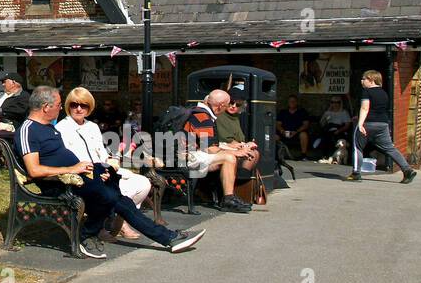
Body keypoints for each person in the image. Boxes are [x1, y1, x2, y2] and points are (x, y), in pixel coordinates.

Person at [15, 87, 205, 257]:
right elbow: (34, 170)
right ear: (46, 107)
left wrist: (94, 169)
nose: (60, 108)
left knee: (117, 196)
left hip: (82, 175)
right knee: (114, 198)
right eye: (58, 104)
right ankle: (90, 234)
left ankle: (167, 237)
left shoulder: (49, 128)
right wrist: (72, 169)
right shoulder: (28, 130)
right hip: (63, 182)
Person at [55, 88, 155, 240]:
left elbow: (101, 152)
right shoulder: (62, 128)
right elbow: (69, 159)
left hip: (103, 169)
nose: (79, 109)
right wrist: (95, 171)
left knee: (143, 183)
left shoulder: (92, 127)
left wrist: (110, 162)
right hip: (85, 175)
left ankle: (119, 220)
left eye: (84, 105)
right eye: (75, 105)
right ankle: (103, 226)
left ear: (90, 108)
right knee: (120, 190)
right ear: (68, 106)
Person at [180, 90, 252, 212]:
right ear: (221, 106)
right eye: (228, 104)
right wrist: (234, 152)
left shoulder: (198, 112)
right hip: (186, 157)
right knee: (228, 158)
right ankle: (228, 199)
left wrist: (233, 148)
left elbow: (210, 144)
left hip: (187, 153)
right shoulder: (202, 117)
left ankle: (227, 196)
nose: (229, 107)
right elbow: (209, 149)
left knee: (228, 155)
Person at [346, 70, 417, 183]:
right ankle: (407, 170)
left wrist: (360, 123)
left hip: (368, 123)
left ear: (371, 80)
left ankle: (356, 173)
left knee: (357, 147)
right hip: (382, 124)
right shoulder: (384, 93)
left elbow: (365, 108)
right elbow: (378, 109)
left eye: (364, 79)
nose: (362, 81)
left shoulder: (366, 92)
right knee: (390, 148)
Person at [214, 95, 261, 176]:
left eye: (237, 105)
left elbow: (240, 138)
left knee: (255, 153)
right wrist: (244, 146)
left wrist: (246, 145)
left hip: (234, 146)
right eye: (231, 103)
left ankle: (241, 180)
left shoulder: (235, 117)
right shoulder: (221, 115)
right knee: (252, 154)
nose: (233, 106)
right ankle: (238, 182)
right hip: (222, 146)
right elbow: (226, 139)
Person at [313, 96, 352, 162]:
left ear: (340, 103)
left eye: (337, 102)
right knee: (324, 138)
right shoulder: (327, 113)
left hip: (340, 130)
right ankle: (325, 156)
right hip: (329, 129)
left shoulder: (344, 112)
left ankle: (337, 157)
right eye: (333, 102)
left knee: (339, 139)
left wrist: (339, 130)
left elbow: (347, 125)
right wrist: (325, 119)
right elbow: (322, 124)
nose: (335, 104)